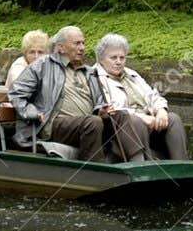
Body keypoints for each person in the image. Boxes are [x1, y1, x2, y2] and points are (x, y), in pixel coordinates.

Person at [8, 26, 147, 162]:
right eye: (77, 43)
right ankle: (94, 172)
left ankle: (138, 163)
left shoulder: (89, 72)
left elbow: (99, 103)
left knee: (120, 115)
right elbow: (16, 92)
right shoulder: (43, 65)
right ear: (61, 47)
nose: (82, 47)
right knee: (92, 122)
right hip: (52, 124)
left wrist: (101, 110)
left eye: (83, 43)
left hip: (86, 122)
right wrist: (32, 112)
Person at [92, 32, 189, 160]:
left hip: (148, 123)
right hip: (119, 129)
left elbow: (152, 95)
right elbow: (111, 109)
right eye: (113, 58)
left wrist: (161, 110)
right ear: (101, 59)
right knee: (136, 122)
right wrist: (141, 117)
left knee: (173, 119)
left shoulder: (131, 74)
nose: (119, 62)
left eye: (122, 57)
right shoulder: (94, 76)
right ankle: (146, 164)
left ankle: (181, 165)